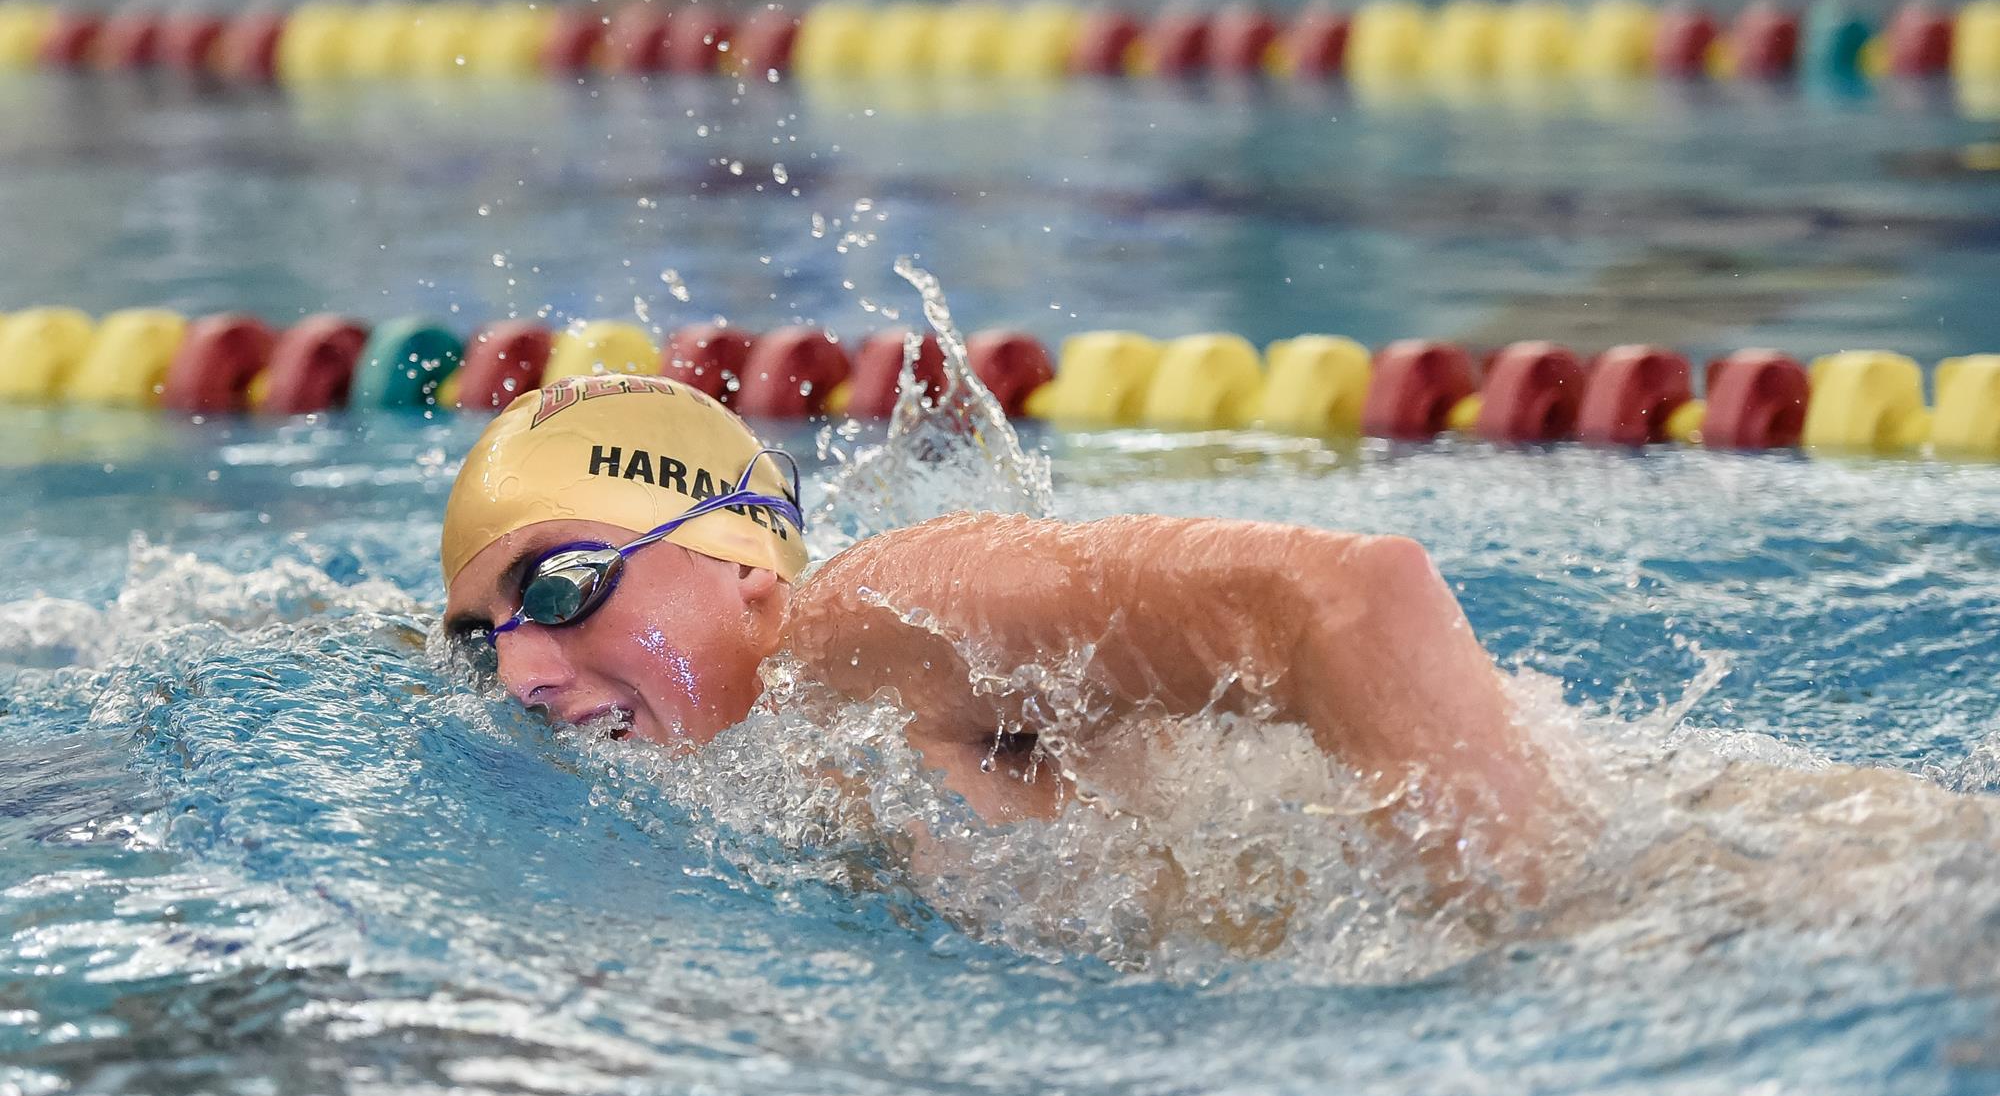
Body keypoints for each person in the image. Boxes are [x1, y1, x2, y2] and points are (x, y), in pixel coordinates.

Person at [441, 372, 1577, 922]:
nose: (521, 675)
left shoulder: (868, 626)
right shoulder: (764, 768)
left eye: (562, 585)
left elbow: (1350, 594)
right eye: (479, 639)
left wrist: (1525, 946)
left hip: (1659, 912)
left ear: (744, 563)